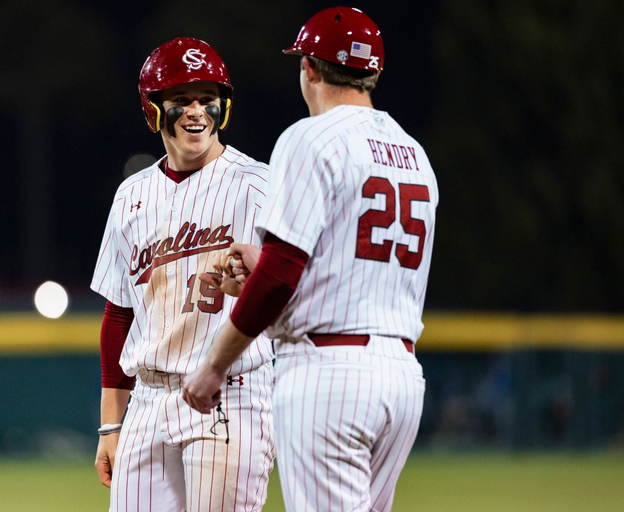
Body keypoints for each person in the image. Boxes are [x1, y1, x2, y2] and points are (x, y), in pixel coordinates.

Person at [184, 7, 438, 512]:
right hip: (403, 378)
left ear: (310, 69)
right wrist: (263, 268)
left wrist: (215, 364)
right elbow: (352, 272)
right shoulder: (414, 154)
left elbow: (281, 271)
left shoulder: (310, 137)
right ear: (373, 73)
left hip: (329, 374)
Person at [90, 37, 274, 512]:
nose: (196, 112)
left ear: (224, 107)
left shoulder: (259, 185)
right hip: (148, 401)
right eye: (180, 100)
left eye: (206, 99)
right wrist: (111, 425)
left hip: (229, 392)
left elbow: (295, 287)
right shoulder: (131, 196)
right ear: (154, 111)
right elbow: (118, 314)